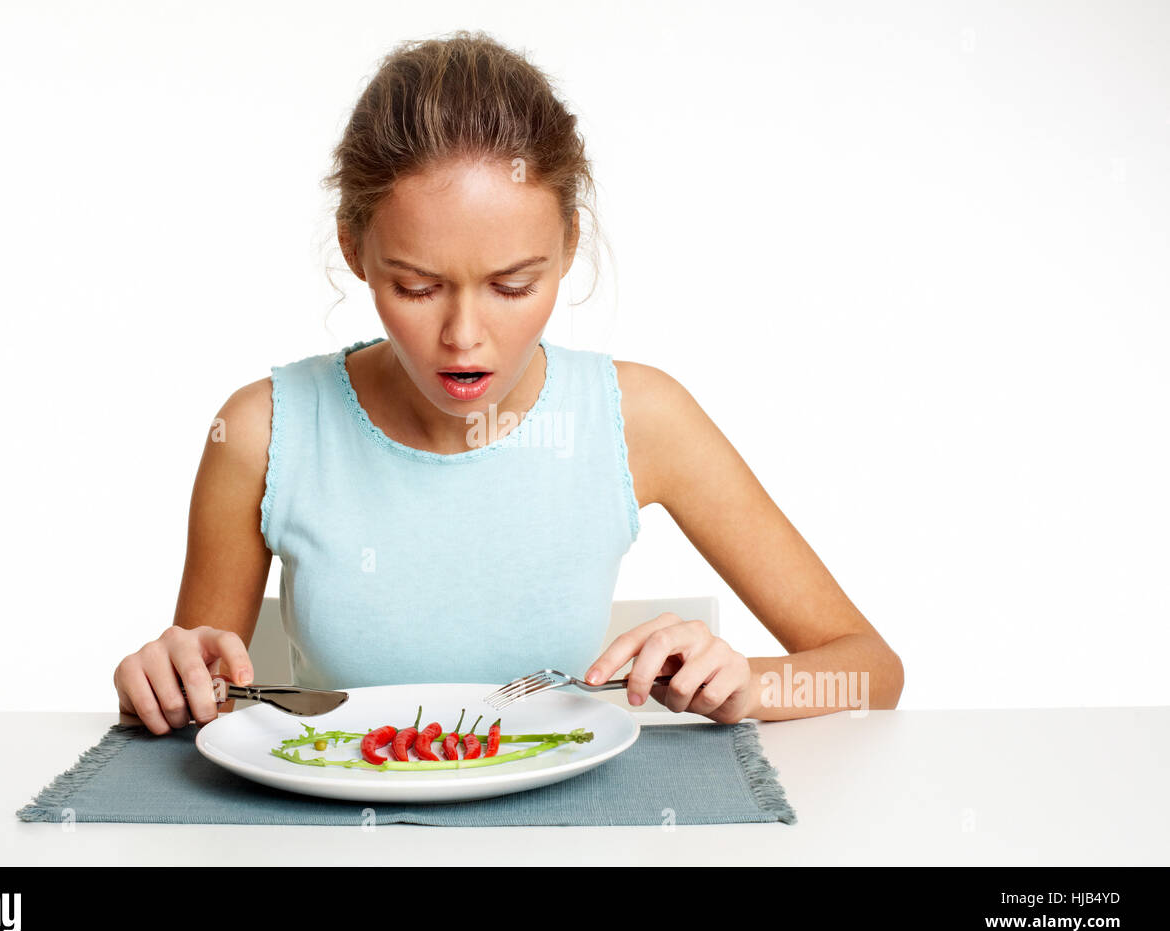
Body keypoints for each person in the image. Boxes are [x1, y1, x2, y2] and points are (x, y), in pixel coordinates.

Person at [114, 30, 903, 736]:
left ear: (568, 246)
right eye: (417, 287)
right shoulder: (263, 431)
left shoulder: (640, 417)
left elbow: (871, 667)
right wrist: (166, 680)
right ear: (355, 251)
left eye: (514, 285)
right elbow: (203, 702)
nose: (464, 337)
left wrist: (747, 681)